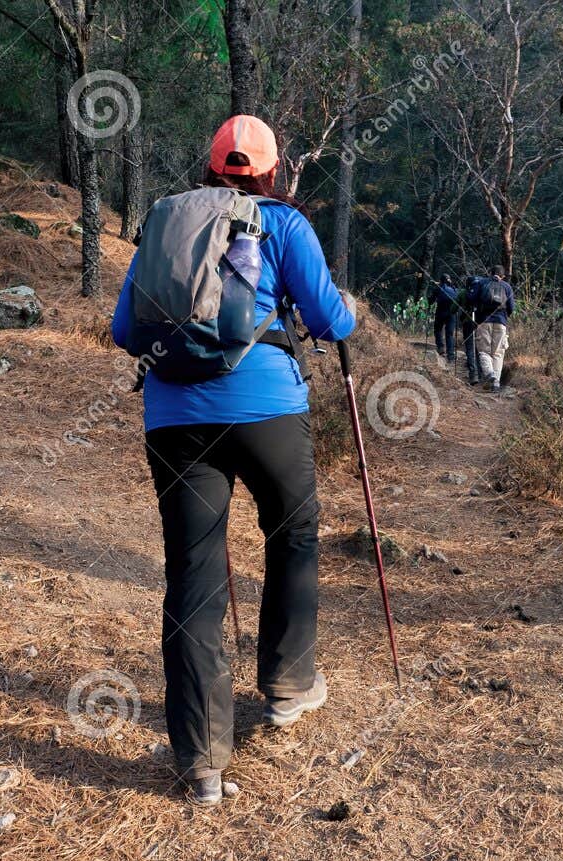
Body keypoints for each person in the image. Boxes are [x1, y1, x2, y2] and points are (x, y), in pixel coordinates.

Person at [111, 114, 356, 807]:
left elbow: (125, 329)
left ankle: (202, 762)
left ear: (210, 166)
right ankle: (287, 684)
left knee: (193, 573)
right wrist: (347, 312)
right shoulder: (281, 224)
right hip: (266, 410)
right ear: (272, 173)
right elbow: (331, 320)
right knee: (293, 530)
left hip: (175, 419)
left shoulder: (169, 221)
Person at [472, 265, 515, 391]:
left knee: (484, 351)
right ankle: (495, 384)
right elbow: (511, 307)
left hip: (484, 321)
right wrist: (504, 317)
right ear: (503, 276)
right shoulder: (507, 286)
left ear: (490, 273)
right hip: (501, 322)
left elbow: (473, 299)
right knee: (498, 353)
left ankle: (489, 374)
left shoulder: (482, 283)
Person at [459, 273, 483, 386]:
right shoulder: (483, 291)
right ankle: (482, 374)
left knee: (469, 347)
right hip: (481, 322)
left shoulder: (464, 293)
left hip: (467, 322)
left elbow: (453, 309)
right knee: (480, 348)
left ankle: (473, 374)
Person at [431, 272, 459, 364]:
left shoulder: (438, 289)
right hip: (452, 314)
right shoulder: (454, 289)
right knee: (449, 334)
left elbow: (431, 300)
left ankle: (441, 348)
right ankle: (450, 355)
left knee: (438, 329)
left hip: (441, 312)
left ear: (440, 280)